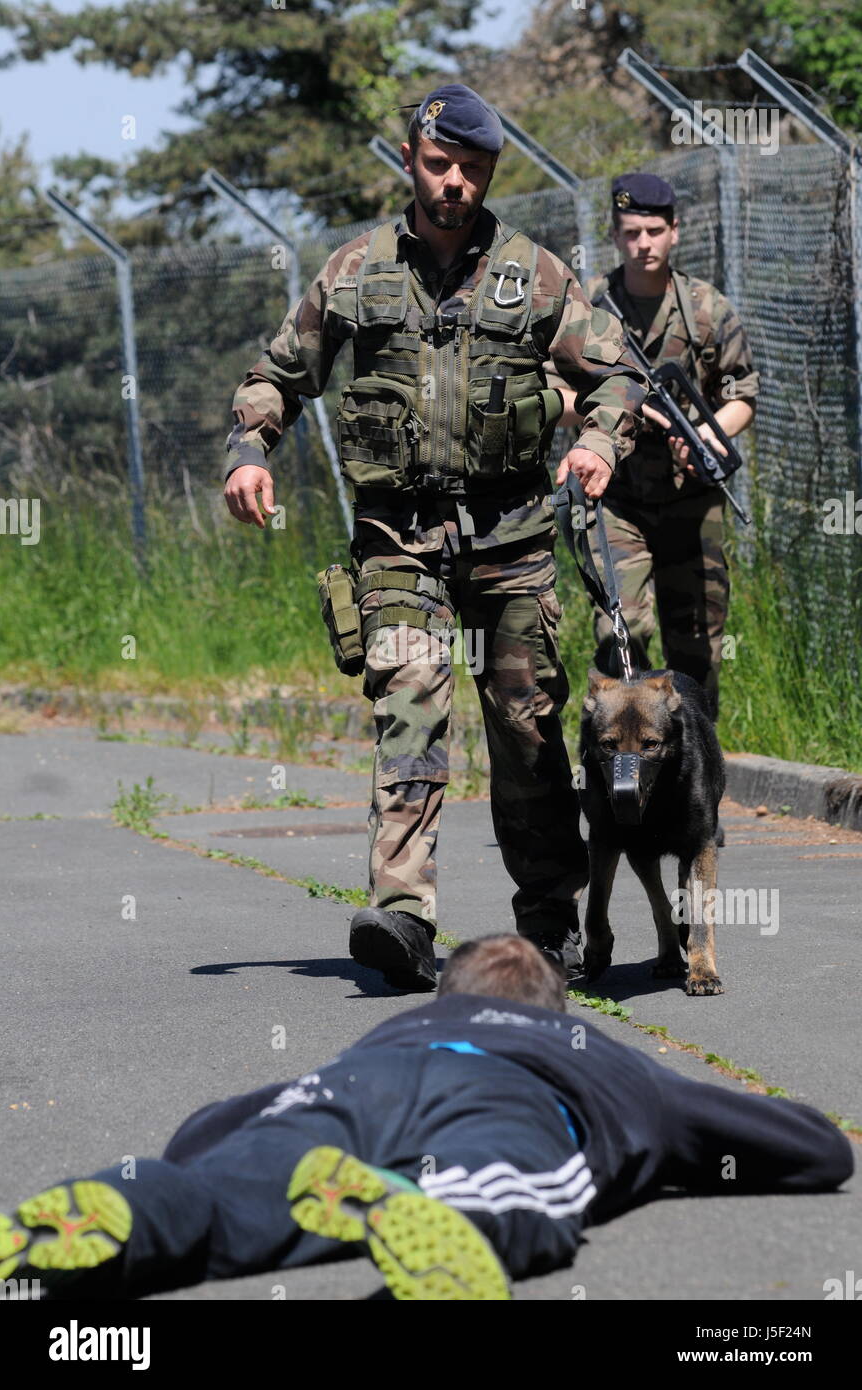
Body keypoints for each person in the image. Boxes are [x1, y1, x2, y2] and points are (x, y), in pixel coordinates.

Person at [223, 85, 648, 990]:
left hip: (513, 537)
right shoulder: (354, 270)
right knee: (410, 708)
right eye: (439, 165)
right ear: (411, 161)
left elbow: (613, 378)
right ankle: (404, 915)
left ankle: (548, 924)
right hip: (398, 542)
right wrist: (248, 451)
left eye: (472, 169)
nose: (454, 183)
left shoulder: (534, 273)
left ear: (490, 173)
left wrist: (599, 442)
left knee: (526, 736)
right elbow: (280, 371)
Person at [0, 935, 851, 1302]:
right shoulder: (587, 1053)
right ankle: (448, 1214)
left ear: (449, 995)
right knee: (501, 1169)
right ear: (555, 1008)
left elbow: (206, 1128)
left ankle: (120, 1207)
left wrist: (193, 1167)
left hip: (345, 1087)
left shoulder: (396, 1027)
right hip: (506, 1093)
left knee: (226, 1187)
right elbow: (811, 1149)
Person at [584, 172, 759, 723]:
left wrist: (707, 433)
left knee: (696, 643)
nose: (644, 244)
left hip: (692, 498)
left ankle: (695, 768)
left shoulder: (707, 310)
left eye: (654, 231)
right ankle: (624, 761)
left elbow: (743, 394)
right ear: (614, 235)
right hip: (616, 497)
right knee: (623, 634)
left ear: (675, 232)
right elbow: (559, 393)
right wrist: (617, 415)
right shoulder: (589, 309)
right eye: (631, 232)